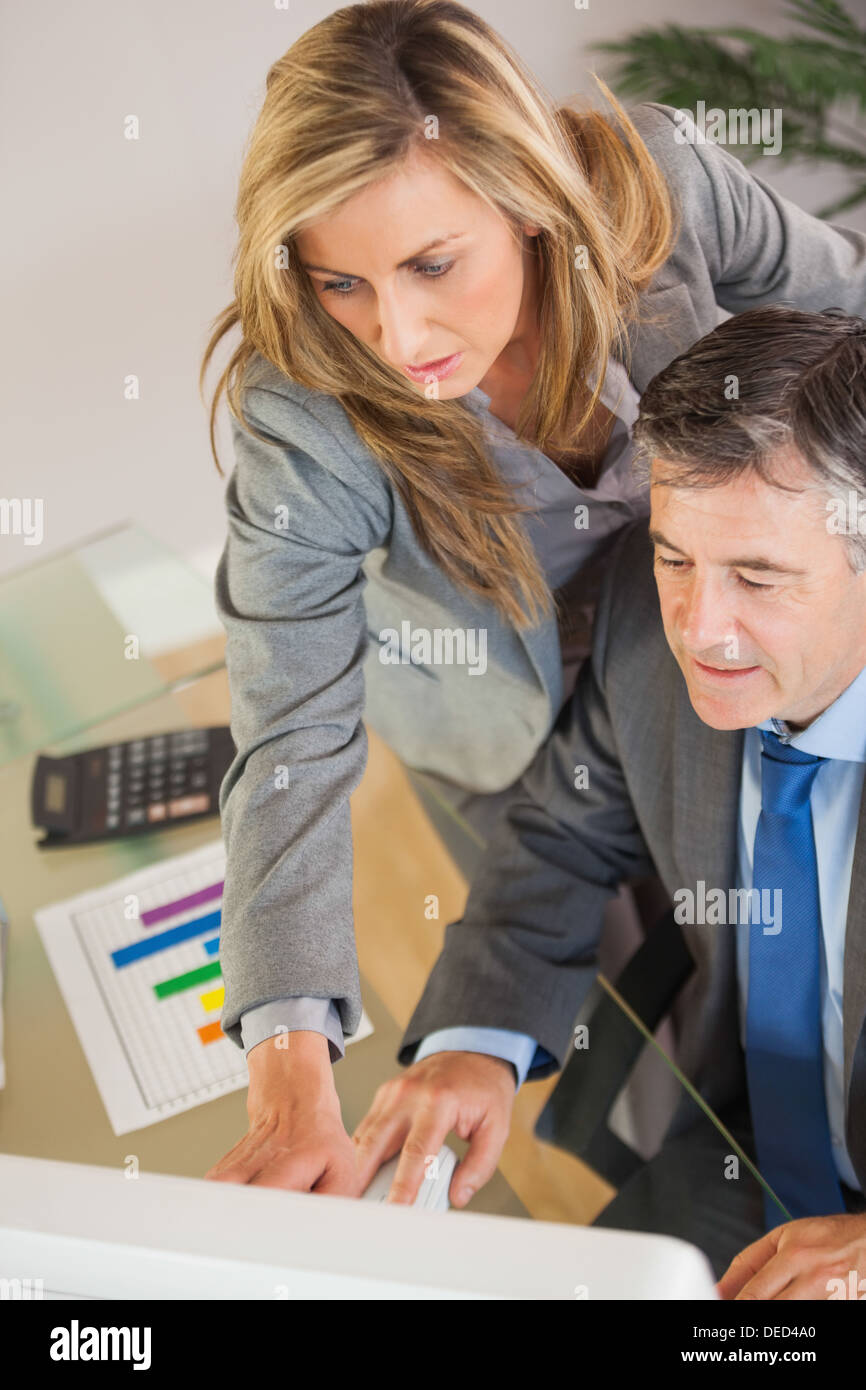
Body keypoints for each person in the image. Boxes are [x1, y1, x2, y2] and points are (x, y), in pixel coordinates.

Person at [201, 0, 866, 1198]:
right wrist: (292, 1077)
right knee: (624, 993)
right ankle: (720, 1175)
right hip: (508, 732)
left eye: (431, 264)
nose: (396, 334)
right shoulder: (305, 407)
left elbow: (850, 320)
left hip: (736, 643)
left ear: (526, 193)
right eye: (339, 280)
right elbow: (288, 735)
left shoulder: (656, 188)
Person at [353, 304, 866, 1296]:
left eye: (757, 577)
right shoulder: (643, 608)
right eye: (677, 558)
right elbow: (555, 833)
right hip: (741, 1152)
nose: (698, 630)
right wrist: (474, 1045)